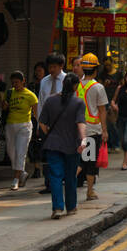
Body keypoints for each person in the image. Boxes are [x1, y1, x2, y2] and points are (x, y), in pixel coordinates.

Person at [39, 73, 87, 219]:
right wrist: (84, 140)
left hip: (53, 144)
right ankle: (71, 207)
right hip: (72, 145)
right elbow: (80, 123)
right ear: (75, 86)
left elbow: (42, 122)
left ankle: (58, 207)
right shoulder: (78, 102)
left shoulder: (50, 100)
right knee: (70, 176)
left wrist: (49, 133)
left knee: (55, 176)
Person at [74, 53, 108, 200]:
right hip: (93, 130)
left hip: (77, 129)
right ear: (95, 70)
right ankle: (89, 191)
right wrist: (105, 130)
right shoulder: (98, 87)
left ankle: (71, 183)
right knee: (89, 162)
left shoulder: (76, 86)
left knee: (81, 159)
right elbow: (102, 110)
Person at [36, 53, 66, 194]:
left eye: (54, 67)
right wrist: (39, 124)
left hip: (62, 124)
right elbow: (41, 103)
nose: (51, 70)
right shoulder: (44, 81)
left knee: (61, 153)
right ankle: (49, 183)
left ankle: (60, 180)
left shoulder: (67, 80)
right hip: (46, 124)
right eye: (50, 67)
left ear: (61, 66)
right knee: (47, 154)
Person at [5, 70, 38, 189]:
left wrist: (39, 127)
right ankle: (22, 172)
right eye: (13, 82)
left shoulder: (31, 95)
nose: (15, 85)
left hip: (24, 126)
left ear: (23, 81)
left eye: (17, 82)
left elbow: (36, 113)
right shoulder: (9, 93)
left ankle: (16, 178)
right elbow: (4, 107)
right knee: (11, 152)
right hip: (10, 125)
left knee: (21, 152)